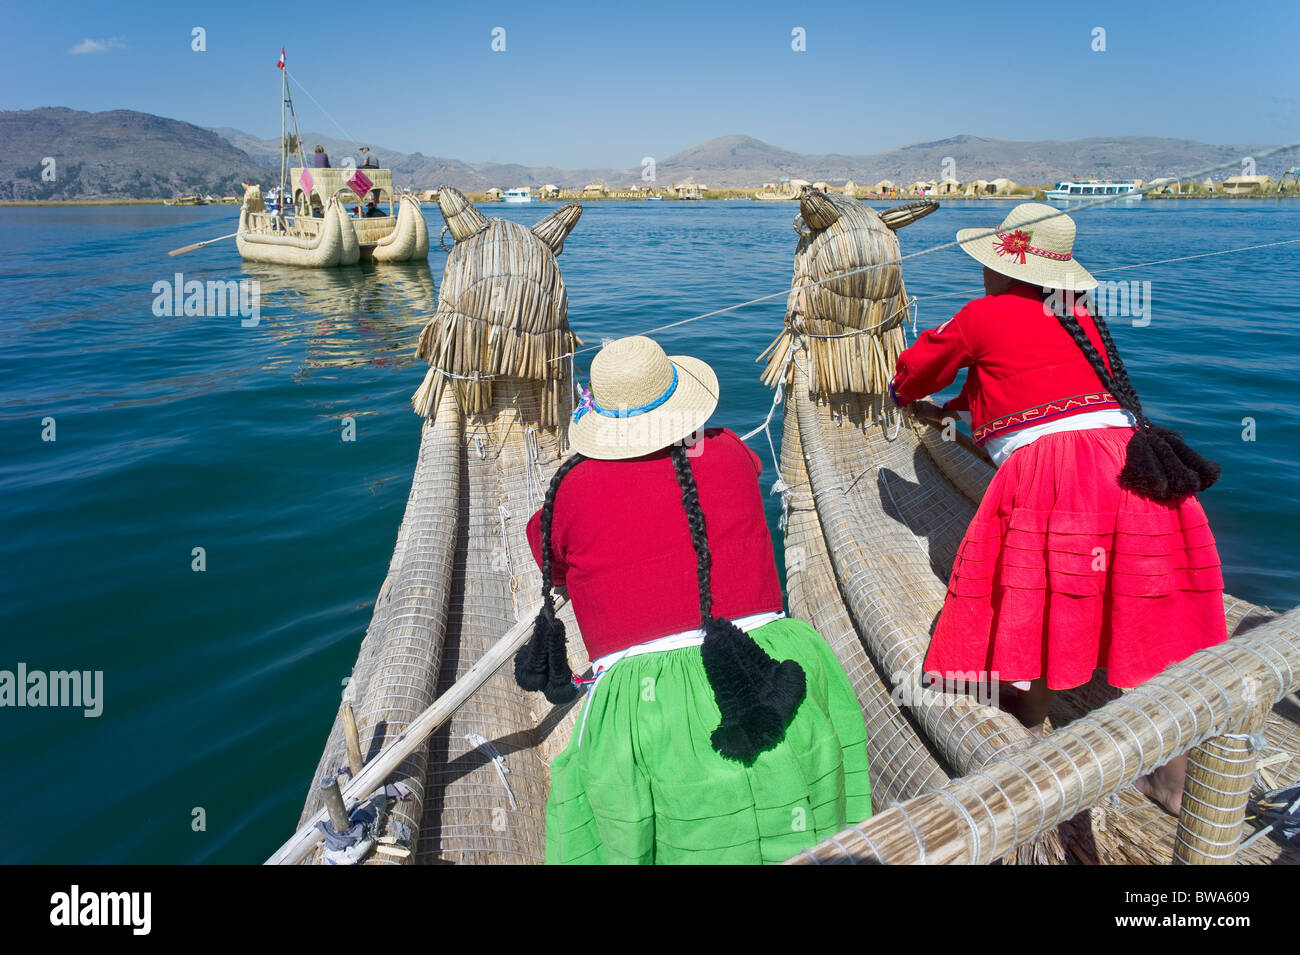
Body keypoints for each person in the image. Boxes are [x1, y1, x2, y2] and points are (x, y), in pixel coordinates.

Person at [889, 203, 1227, 815]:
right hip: (1134, 465)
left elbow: (918, 369)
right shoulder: (1077, 315)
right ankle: (1172, 780)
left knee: (1044, 589)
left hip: (1063, 476)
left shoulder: (983, 313)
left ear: (1003, 271)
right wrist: (959, 408)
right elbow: (1028, 381)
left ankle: (1029, 716)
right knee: (1140, 605)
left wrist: (905, 394)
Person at [520, 335, 872, 864]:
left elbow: (547, 549)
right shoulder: (729, 449)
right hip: (777, 663)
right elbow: (744, 472)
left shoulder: (571, 488)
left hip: (653, 699)